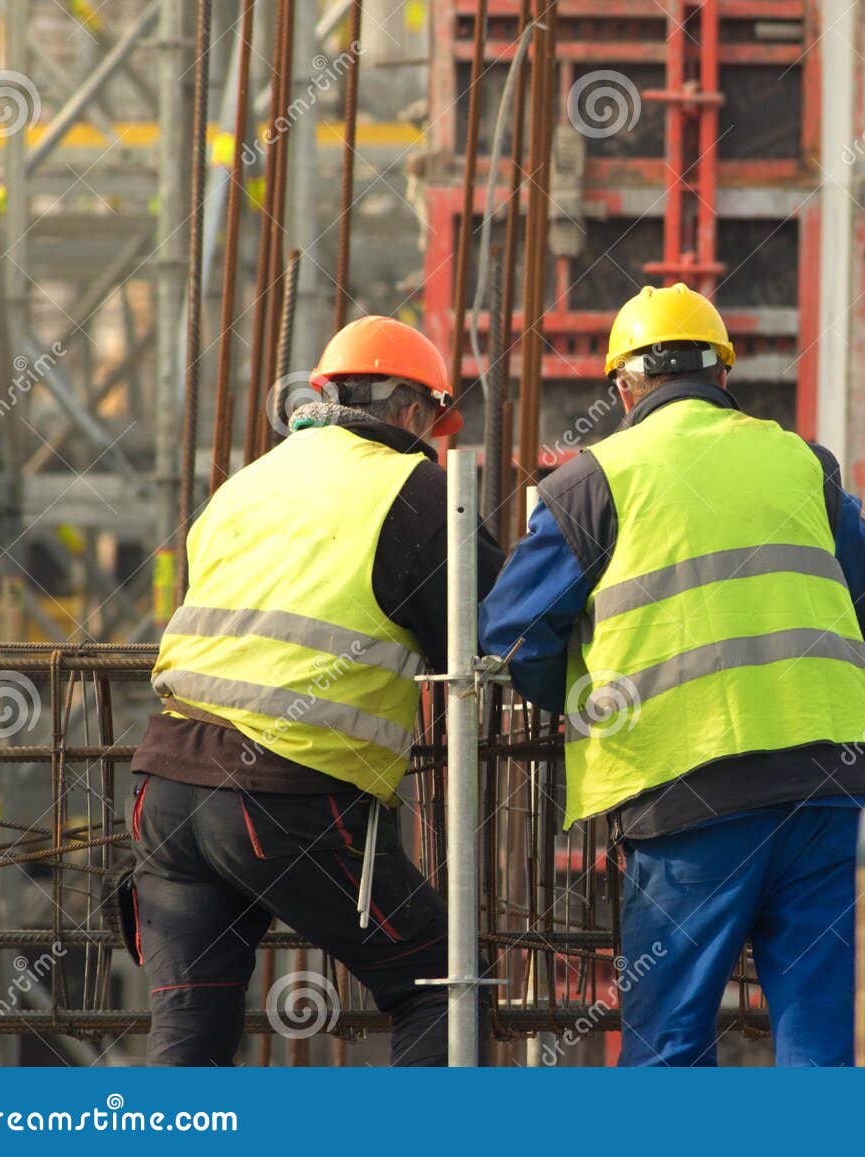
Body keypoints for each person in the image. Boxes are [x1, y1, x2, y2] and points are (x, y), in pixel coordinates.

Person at [479, 283, 865, 1066]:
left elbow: (511, 636)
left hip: (687, 794)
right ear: (723, 376)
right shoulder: (801, 461)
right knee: (826, 1045)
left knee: (668, 1049)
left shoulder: (591, 481)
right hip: (832, 785)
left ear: (624, 387)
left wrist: (581, 700)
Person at [131, 316, 504, 1065]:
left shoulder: (249, 482)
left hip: (165, 787)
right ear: (406, 409)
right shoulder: (417, 492)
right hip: (283, 794)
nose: (435, 436)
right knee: (442, 985)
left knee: (190, 1037)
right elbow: (495, 625)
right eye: (433, 418)